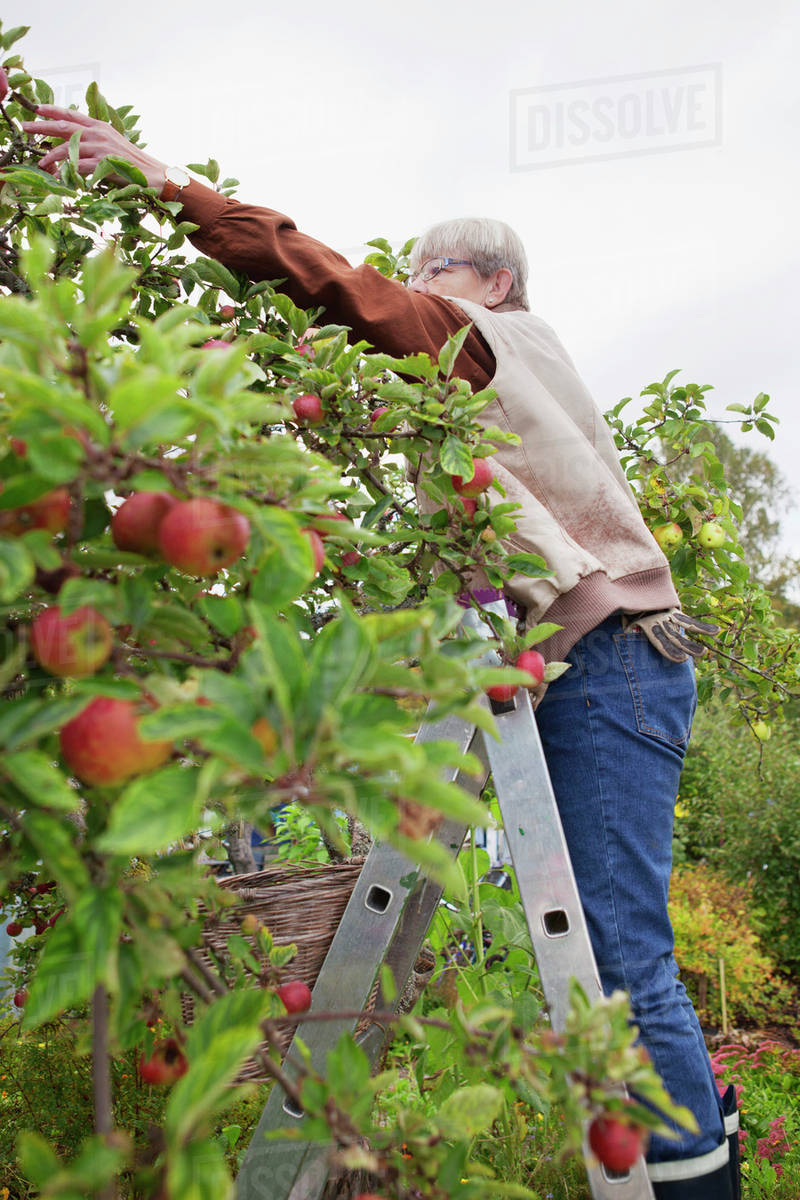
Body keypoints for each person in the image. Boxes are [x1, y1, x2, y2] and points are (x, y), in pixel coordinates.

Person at [22, 105, 738, 1199]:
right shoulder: (484, 395)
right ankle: (696, 1150)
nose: (411, 289)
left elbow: (347, 294)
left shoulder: (499, 339)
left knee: (620, 954)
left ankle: (694, 1186)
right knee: (613, 951)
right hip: (584, 663)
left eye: (429, 270)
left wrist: (171, 188)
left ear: (491, 282)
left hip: (611, 664)